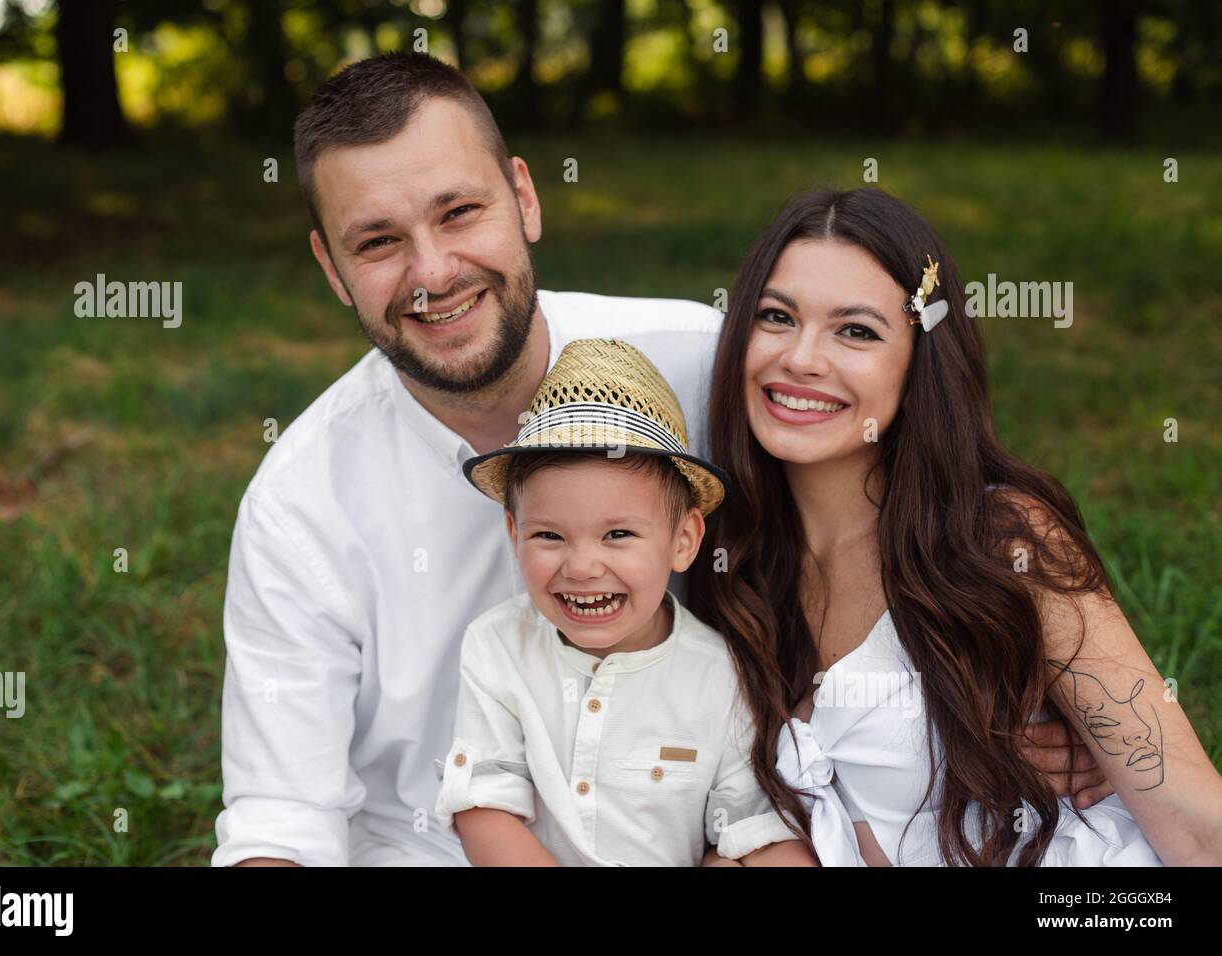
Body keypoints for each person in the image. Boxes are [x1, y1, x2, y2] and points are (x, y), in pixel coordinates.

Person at [211, 51, 1109, 867]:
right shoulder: (302, 503)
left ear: (524, 198)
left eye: (460, 211)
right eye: (378, 242)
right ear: (332, 269)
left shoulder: (704, 366)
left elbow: (904, 489)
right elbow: (279, 818)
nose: (433, 271)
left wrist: (1018, 693)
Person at [686, 187, 1222, 865]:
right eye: (776, 316)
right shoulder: (723, 564)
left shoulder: (998, 539)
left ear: (919, 367)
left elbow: (1196, 819)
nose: (802, 358)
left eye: (856, 330)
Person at [434, 338, 817, 866]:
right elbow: (483, 806)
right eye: (549, 536)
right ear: (512, 532)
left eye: (617, 535)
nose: (582, 567)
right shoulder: (498, 646)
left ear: (683, 541)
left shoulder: (720, 675)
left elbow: (756, 827)